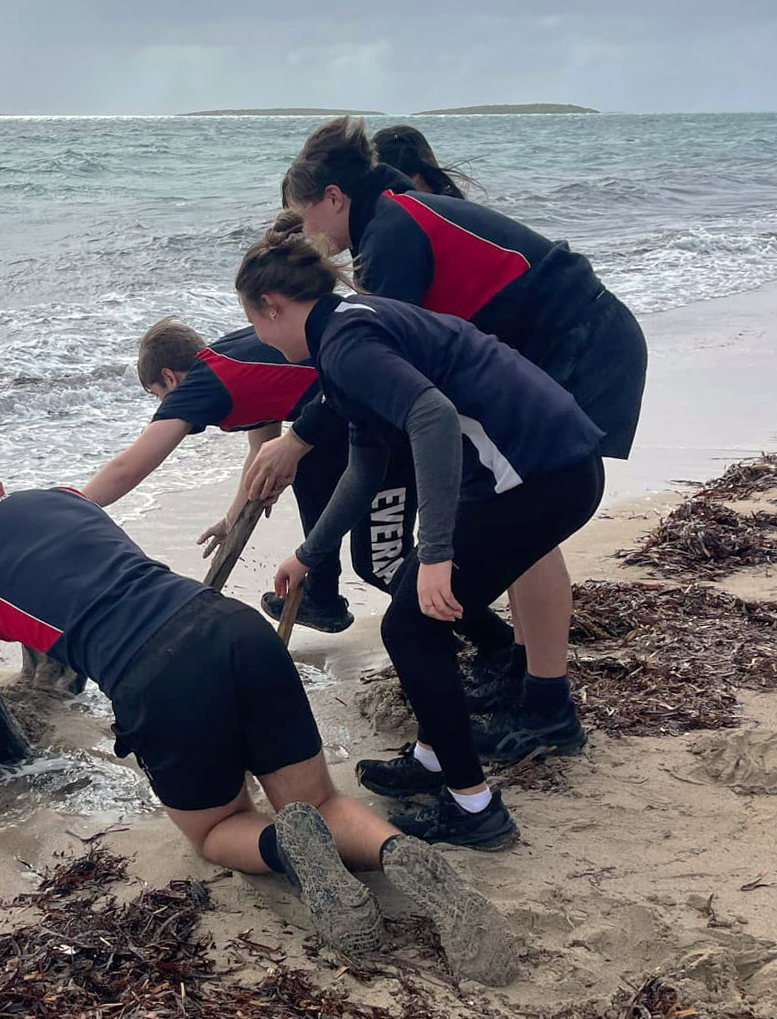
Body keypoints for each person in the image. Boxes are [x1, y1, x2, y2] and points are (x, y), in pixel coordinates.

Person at [0, 439, 518, 987]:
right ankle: (399, 855)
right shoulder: (60, 500)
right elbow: (93, 539)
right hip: (229, 627)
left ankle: (287, 846)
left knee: (216, 828)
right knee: (318, 799)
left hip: (155, 676)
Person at [246, 116, 645, 788]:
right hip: (543, 349)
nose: (303, 234)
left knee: (529, 519)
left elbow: (371, 367)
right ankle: (522, 675)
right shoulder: (391, 218)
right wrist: (314, 548)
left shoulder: (393, 234)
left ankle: (545, 701)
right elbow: (369, 402)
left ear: (334, 198)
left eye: (302, 214)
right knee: (517, 518)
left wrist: (300, 436)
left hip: (579, 339)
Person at [235, 226, 606, 849]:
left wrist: (435, 554)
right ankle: (436, 759)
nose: (262, 340)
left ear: (272, 306)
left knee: (411, 626)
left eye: (256, 323)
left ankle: (474, 807)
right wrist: (309, 554)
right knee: (415, 612)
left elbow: (430, 415)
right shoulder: (343, 329)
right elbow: (367, 466)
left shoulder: (345, 341)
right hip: (536, 467)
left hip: (540, 474)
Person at [81, 316, 417, 634]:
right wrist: (232, 520)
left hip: (388, 419)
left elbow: (128, 468)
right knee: (307, 466)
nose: (164, 405)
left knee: (379, 563)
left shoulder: (201, 383)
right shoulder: (233, 367)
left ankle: (445, 621)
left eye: (158, 395)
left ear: (170, 377)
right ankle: (322, 597)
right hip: (355, 411)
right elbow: (262, 450)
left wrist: (71, 506)